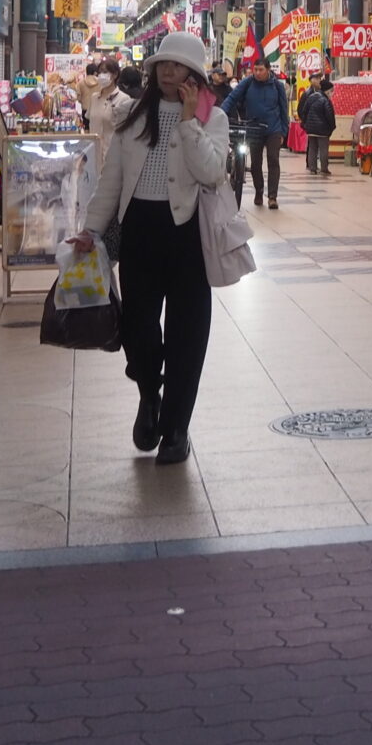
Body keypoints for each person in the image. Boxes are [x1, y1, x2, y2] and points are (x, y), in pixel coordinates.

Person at [72, 31, 229, 466]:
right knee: (139, 330)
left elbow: (213, 172)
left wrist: (187, 122)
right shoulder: (132, 122)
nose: (169, 73)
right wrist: (92, 230)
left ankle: (176, 429)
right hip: (140, 231)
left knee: (188, 336)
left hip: (188, 237)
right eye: (163, 65)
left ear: (194, 75)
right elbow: (111, 183)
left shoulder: (211, 120)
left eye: (178, 67)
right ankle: (149, 393)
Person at [222, 57, 291, 209]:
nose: (257, 73)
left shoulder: (277, 86)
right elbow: (232, 98)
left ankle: (272, 196)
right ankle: (259, 190)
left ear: (268, 70)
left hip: (273, 129)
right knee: (255, 164)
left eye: (261, 70)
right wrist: (220, 113)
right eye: (255, 70)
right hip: (254, 129)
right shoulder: (247, 82)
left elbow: (283, 109)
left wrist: (284, 131)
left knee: (273, 160)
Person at [298, 75, 336, 175]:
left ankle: (312, 168)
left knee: (312, 148)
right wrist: (332, 127)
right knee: (323, 149)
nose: (332, 93)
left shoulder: (310, 97)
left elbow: (304, 111)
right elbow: (329, 116)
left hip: (311, 129)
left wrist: (306, 124)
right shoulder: (325, 101)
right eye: (331, 91)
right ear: (327, 91)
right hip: (323, 130)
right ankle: (324, 169)